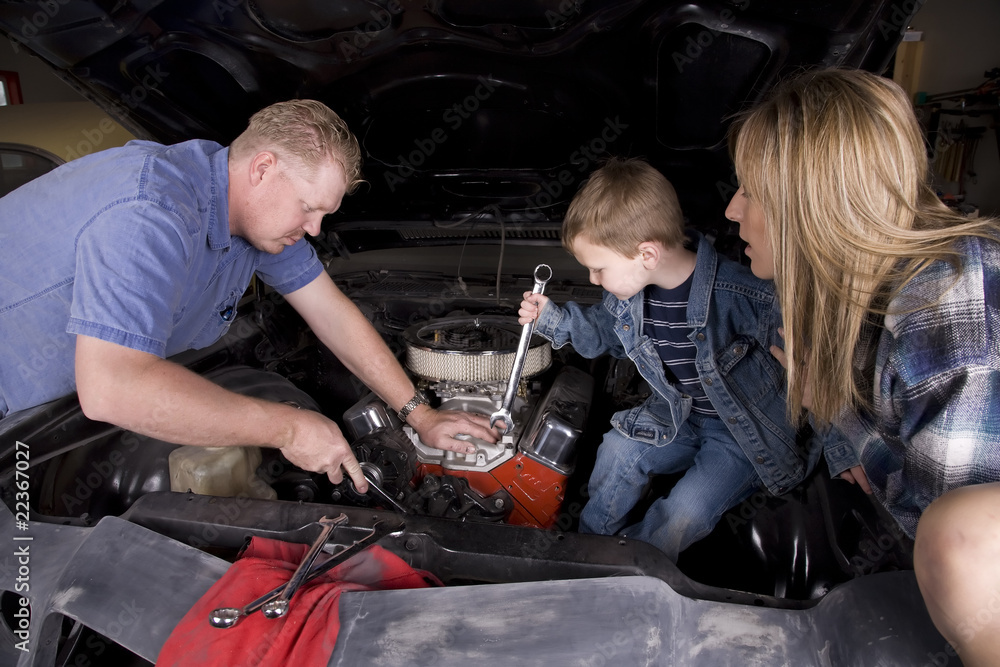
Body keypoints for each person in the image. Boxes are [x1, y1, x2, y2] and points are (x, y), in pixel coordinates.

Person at [0, 99, 498, 493]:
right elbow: (114, 388)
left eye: (324, 214)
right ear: (262, 168)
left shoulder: (255, 218)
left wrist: (421, 414)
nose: (315, 229)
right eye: (308, 208)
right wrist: (288, 429)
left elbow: (331, 314)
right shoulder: (151, 212)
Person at [724, 67, 1000, 664]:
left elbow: (950, 547)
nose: (730, 210)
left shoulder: (942, 300)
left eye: (749, 190)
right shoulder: (854, 296)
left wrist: (840, 417)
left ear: (813, 204)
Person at [518, 157, 828, 562]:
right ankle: (587, 550)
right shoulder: (627, 300)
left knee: (684, 511)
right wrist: (553, 318)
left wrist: (840, 444)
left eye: (598, 269)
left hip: (741, 433)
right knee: (614, 452)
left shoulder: (749, 296)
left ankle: (627, 566)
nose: (593, 280)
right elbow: (600, 333)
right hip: (677, 415)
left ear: (647, 254)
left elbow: (816, 374)